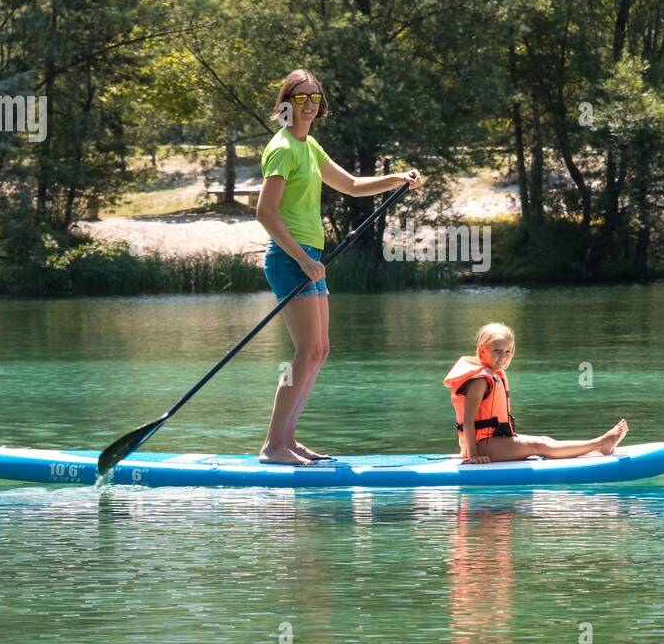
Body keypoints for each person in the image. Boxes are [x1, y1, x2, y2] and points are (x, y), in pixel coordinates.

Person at [255, 68, 422, 465]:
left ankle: (289, 441)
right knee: (306, 351)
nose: (309, 104)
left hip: (311, 259)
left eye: (315, 97)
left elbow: (350, 185)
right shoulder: (281, 148)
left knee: (320, 351)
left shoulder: (309, 146)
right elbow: (265, 213)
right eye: (300, 97)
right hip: (290, 259)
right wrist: (302, 259)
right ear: (286, 103)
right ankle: (272, 446)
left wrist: (396, 178)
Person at [443, 322, 629, 463]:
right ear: (481, 351)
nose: (503, 356)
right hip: (482, 445)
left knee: (544, 440)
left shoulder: (494, 376)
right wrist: (474, 455)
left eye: (508, 351)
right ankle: (600, 444)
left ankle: (595, 449)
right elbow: (468, 421)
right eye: (497, 350)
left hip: (494, 441)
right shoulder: (480, 381)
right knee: (540, 445)